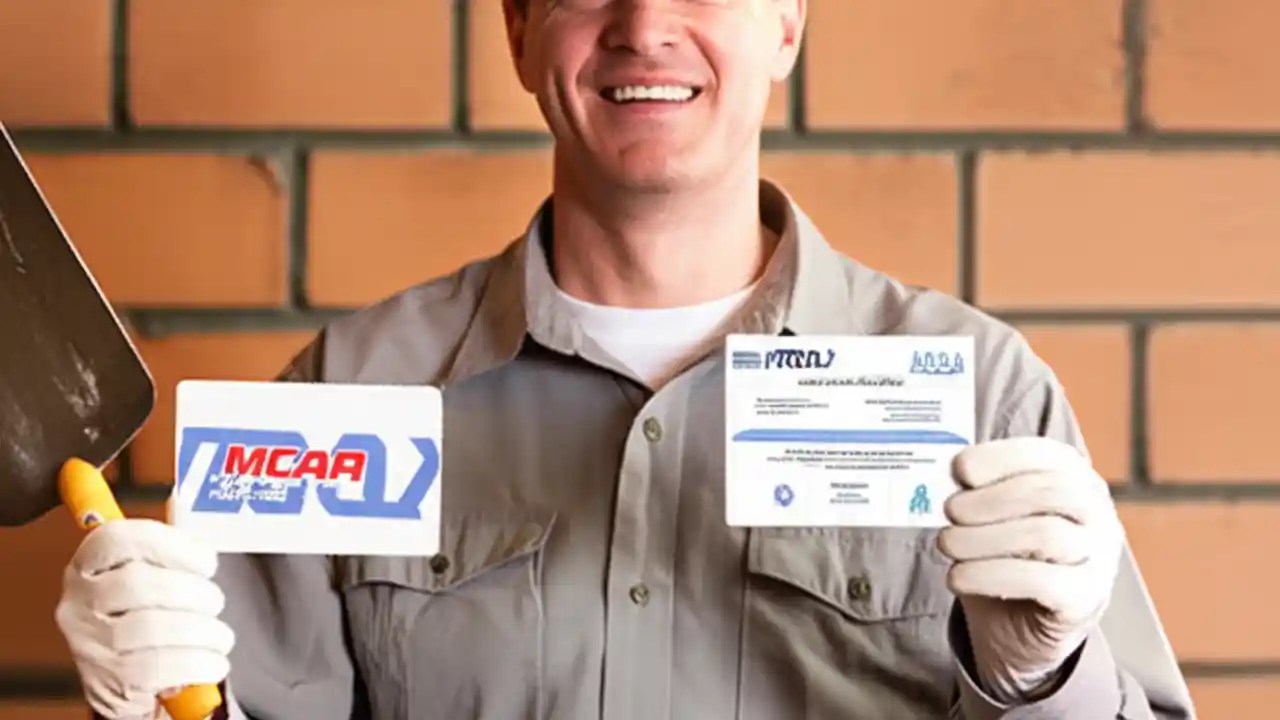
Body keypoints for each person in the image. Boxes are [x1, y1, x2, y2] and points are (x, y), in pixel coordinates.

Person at [54, 1, 1196, 718]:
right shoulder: (344, 394)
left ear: (787, 22)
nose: (642, 24)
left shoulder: (982, 394)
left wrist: (1042, 684)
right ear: (515, 29)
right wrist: (149, 704)